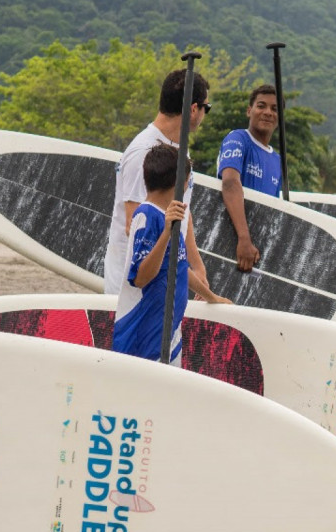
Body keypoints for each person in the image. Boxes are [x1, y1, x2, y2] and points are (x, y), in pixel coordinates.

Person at [113, 144, 229, 365]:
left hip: (168, 333)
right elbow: (140, 277)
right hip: (143, 337)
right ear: (182, 183)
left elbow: (179, 266)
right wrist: (166, 233)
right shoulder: (147, 216)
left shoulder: (168, 217)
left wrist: (211, 296)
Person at [103, 69, 214, 297]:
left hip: (167, 276)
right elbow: (135, 226)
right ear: (194, 109)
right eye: (206, 108)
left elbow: (183, 211)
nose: (205, 114)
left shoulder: (177, 146)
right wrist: (188, 278)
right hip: (136, 287)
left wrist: (197, 267)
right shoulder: (143, 152)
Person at [217, 84, 283, 271]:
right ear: (249, 111)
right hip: (231, 247)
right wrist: (244, 239)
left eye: (274, 109)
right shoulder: (237, 139)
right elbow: (230, 183)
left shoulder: (277, 160)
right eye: (261, 106)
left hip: (257, 254)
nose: (268, 112)